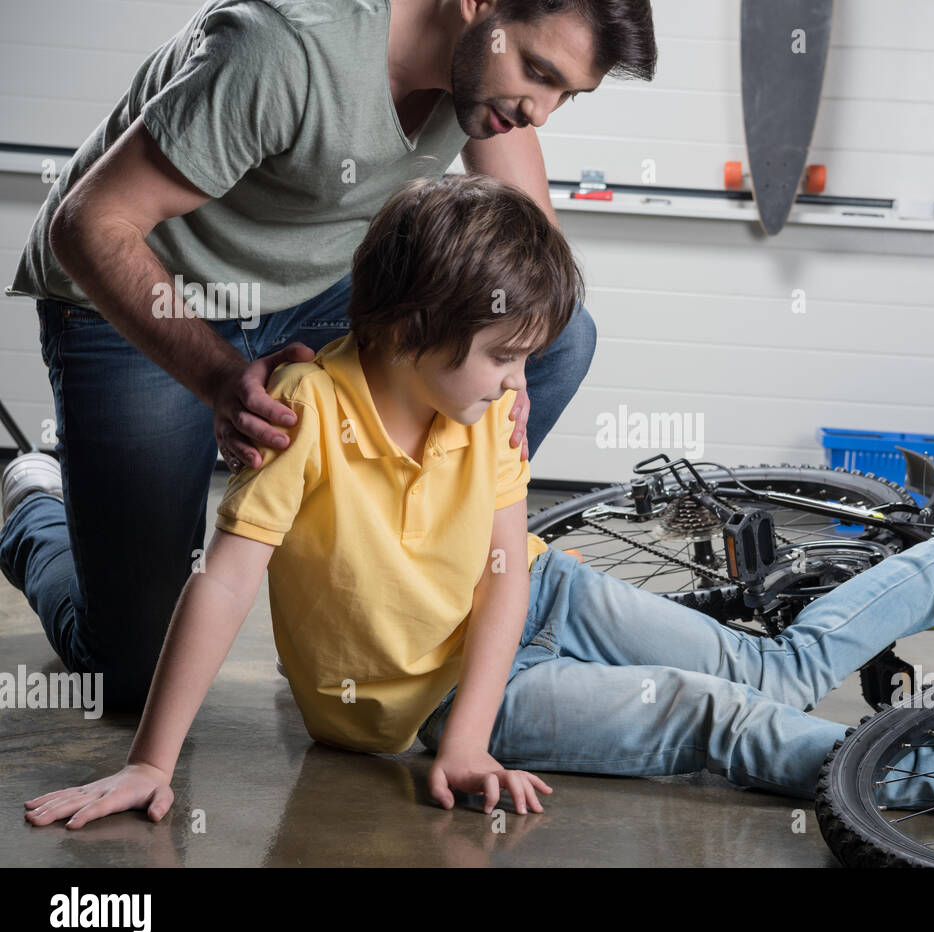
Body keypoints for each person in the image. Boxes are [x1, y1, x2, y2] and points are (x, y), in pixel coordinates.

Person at [21, 175, 934, 834]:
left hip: (526, 604)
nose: (516, 386)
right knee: (723, 719)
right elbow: (223, 583)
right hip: (432, 696)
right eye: (502, 358)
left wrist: (468, 726)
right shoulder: (307, 415)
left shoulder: (483, 418)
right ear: (409, 331)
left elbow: (509, 573)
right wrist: (155, 765)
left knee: (764, 666)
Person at [0, 0, 656, 713]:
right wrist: (222, 379)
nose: (542, 112)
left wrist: (519, 365)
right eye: (537, 73)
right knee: (130, 675)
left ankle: (362, 593)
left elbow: (534, 274)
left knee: (557, 343)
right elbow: (89, 225)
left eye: (567, 93)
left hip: (308, 293)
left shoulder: (489, 91)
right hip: (139, 293)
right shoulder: (282, 48)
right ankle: (35, 502)